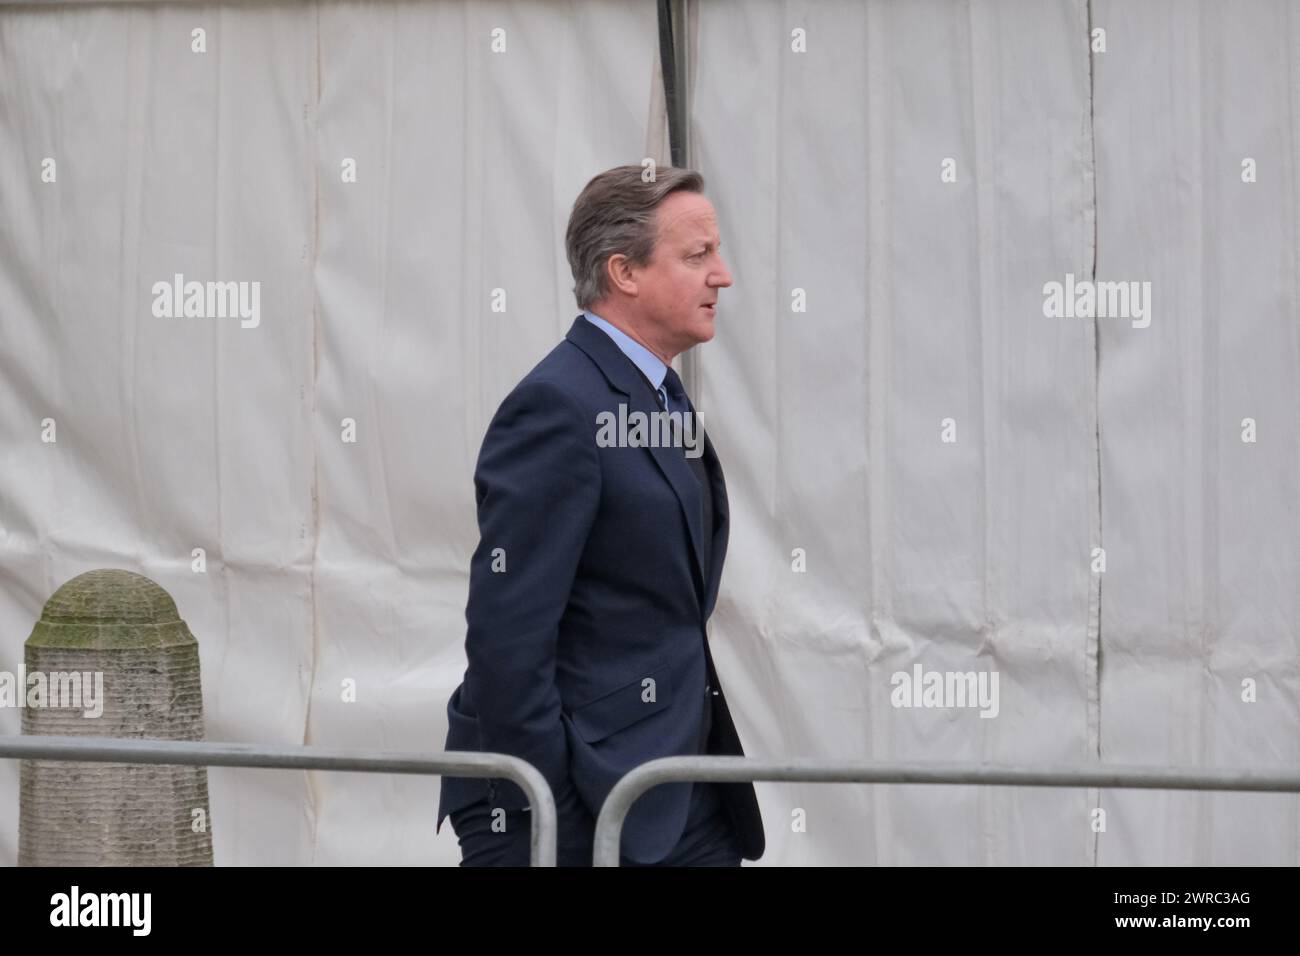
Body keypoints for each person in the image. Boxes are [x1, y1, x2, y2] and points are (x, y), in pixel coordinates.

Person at [436, 165, 765, 866]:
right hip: (580, 802)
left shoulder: (661, 393)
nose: (723, 276)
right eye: (697, 255)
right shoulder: (557, 407)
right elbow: (507, 638)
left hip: (676, 786)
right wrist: (551, 814)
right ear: (625, 272)